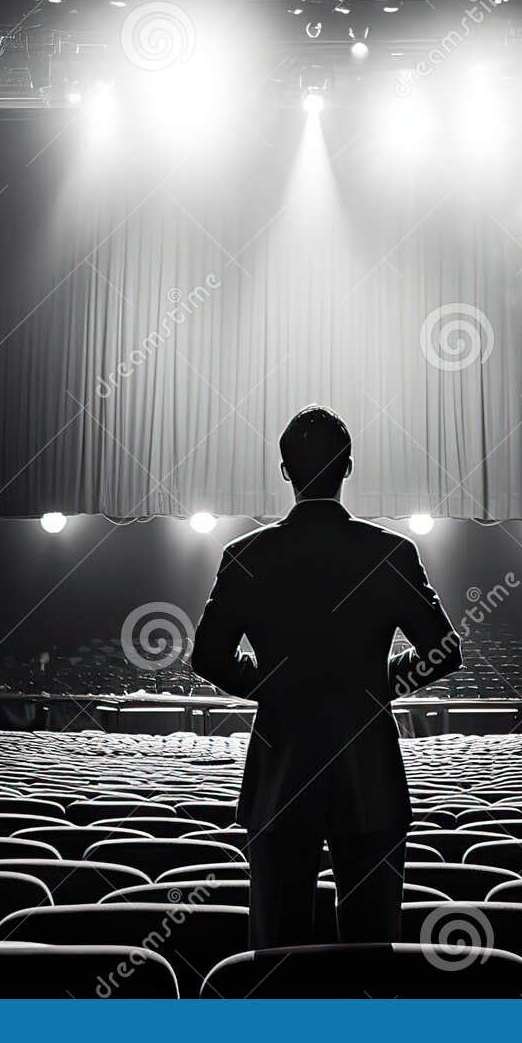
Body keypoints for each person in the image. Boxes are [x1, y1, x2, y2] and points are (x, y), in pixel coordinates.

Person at [192, 406, 462, 949]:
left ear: (285, 470)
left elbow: (208, 658)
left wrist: (267, 684)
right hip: (370, 778)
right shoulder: (390, 552)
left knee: (276, 952)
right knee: (371, 951)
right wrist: (380, 684)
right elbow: (444, 652)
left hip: (280, 777)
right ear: (349, 467)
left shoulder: (245, 555)